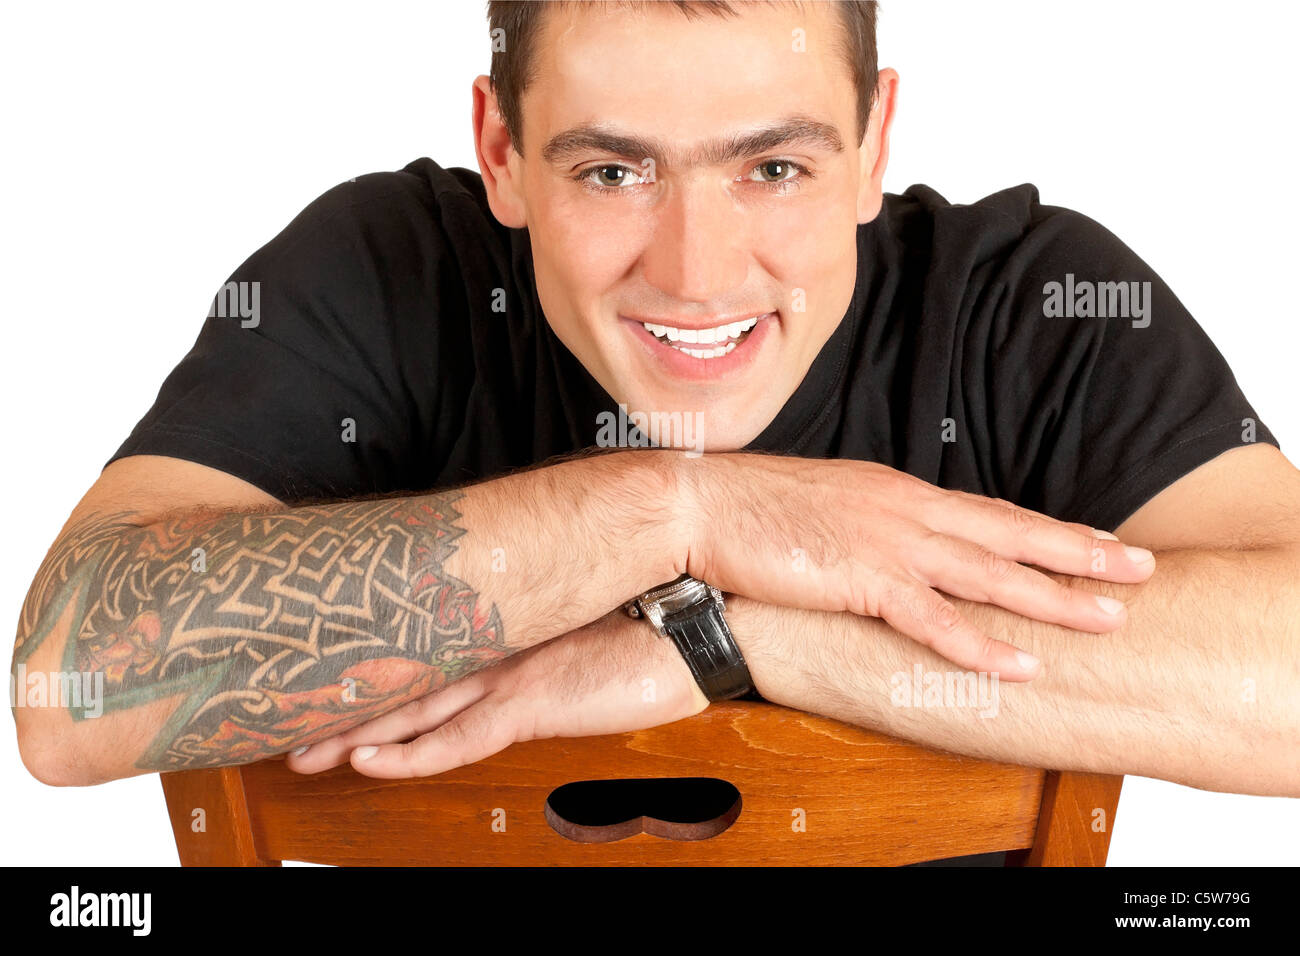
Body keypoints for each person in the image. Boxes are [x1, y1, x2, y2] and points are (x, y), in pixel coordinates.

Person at [13, 0, 1299, 799]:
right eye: (616, 170)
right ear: (502, 152)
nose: (695, 271)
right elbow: (70, 689)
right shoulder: (382, 273)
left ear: (876, 138)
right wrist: (677, 510)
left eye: (775, 166)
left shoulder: (1031, 304)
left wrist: (721, 636)